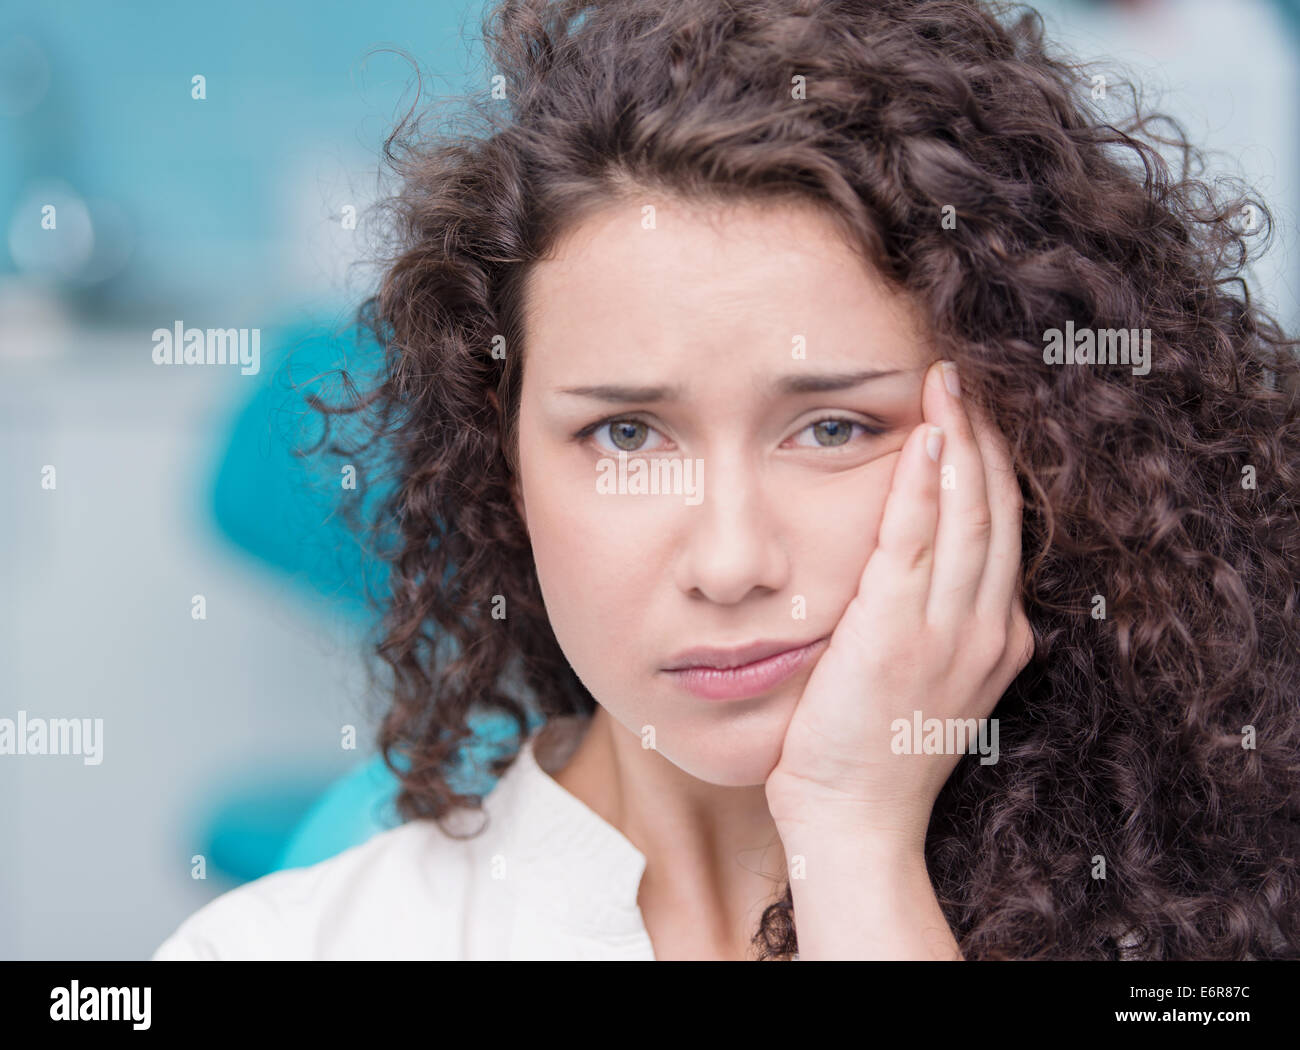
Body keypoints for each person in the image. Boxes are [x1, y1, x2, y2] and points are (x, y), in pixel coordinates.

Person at [153, 0, 1300, 961]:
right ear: (500, 467)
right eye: (625, 437)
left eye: (835, 428)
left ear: (1031, 439)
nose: (730, 562)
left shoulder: (1207, 921)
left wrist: (854, 840)